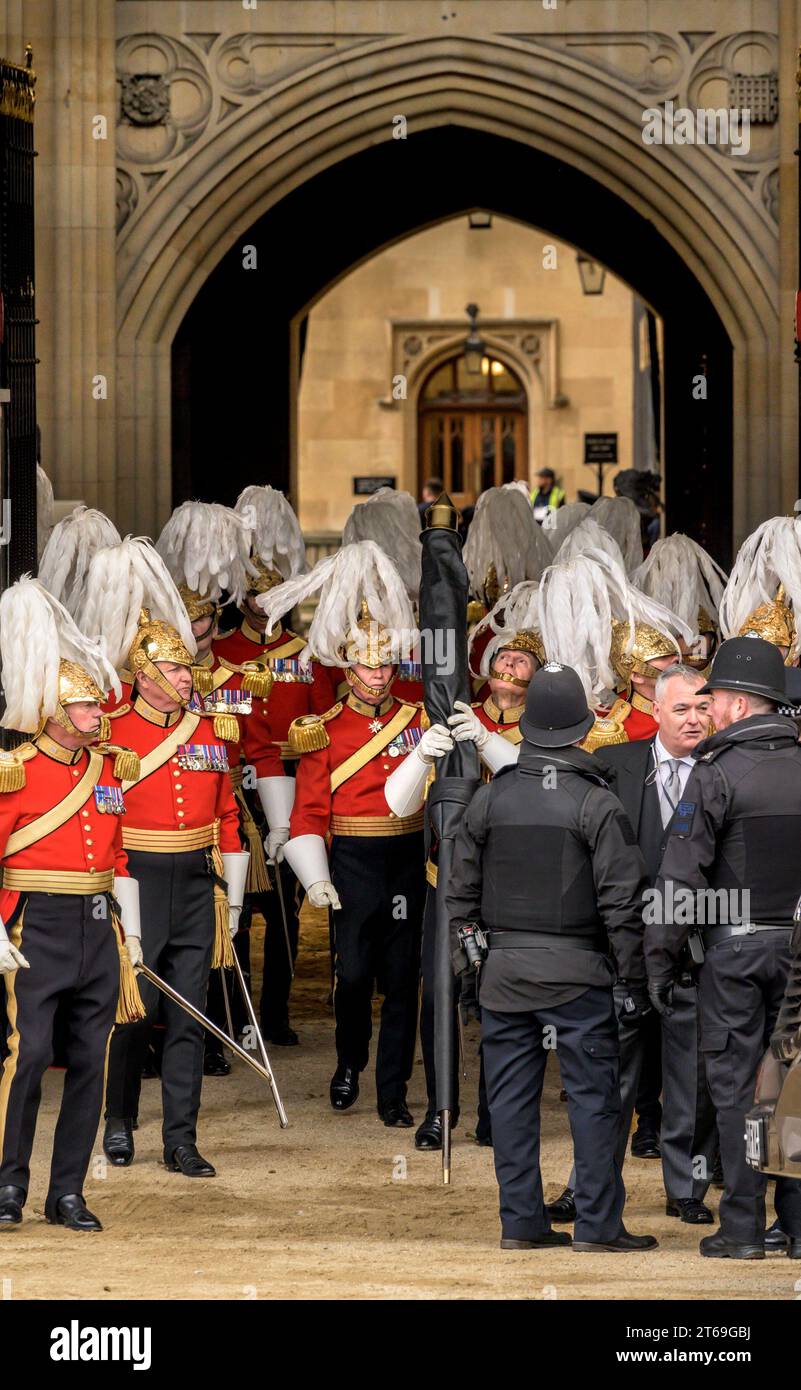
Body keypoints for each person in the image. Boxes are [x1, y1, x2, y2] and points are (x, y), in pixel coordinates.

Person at [447, 662, 657, 1252]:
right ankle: (596, 1225)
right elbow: (622, 905)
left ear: (529, 727)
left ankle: (520, 1222)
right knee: (594, 1104)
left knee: (510, 1104)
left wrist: (473, 968)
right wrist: (632, 981)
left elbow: (458, 896)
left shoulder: (491, 799)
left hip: (505, 975)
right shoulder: (596, 803)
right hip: (578, 976)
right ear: (584, 728)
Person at [77, 538, 246, 1178]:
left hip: (196, 882)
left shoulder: (210, 729)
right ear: (144, 673)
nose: (187, 677)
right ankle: (118, 1123)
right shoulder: (112, 730)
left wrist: (231, 895)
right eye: (175, 671)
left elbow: (227, 817)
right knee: (131, 1012)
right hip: (135, 879)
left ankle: (181, 1139)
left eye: (187, 670)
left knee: (188, 1016)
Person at [267, 540, 452, 1125]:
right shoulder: (320, 729)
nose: (376, 676)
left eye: (385, 665)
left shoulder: (418, 718)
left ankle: (392, 1091)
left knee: (403, 980)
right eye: (366, 666)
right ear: (348, 668)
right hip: (351, 861)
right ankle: (350, 1060)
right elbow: (310, 811)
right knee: (351, 976)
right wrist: (315, 877)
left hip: (405, 857)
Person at [647, 636, 801, 1258]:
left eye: (714, 701)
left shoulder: (712, 774)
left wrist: (658, 960)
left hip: (735, 953)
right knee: (790, 1086)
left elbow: (678, 879)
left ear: (738, 705)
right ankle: (794, 1227)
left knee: (738, 1090)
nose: (706, 712)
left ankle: (741, 1227)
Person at [548, 664, 718, 1226]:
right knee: (607, 1079)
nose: (693, 719)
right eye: (681, 709)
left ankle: (686, 1189)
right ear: (656, 711)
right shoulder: (614, 765)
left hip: (696, 951)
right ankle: (587, 1185)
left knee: (688, 1079)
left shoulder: (723, 769)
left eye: (701, 708)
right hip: (621, 952)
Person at [0, 579, 143, 1233]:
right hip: (36, 926)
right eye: (85, 708)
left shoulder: (109, 768)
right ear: (53, 712)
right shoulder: (18, 769)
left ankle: (66, 1192)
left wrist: (131, 934)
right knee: (26, 1057)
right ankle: (8, 1185)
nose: (97, 715)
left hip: (96, 928)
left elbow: (117, 858)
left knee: (93, 1059)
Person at [407, 583, 544, 1150]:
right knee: (439, 996)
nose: (512, 662)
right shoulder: (450, 710)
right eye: (505, 655)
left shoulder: (546, 727)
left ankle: (495, 1111)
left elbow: (531, 781)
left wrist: (485, 740)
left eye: (525, 659)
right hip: (451, 876)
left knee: (501, 1001)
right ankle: (442, 1107)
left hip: (510, 884)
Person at [214, 485, 336, 1046]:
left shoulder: (305, 656)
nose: (265, 606)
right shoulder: (218, 656)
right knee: (234, 903)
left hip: (286, 786)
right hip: (232, 788)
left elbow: (320, 728)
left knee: (285, 908)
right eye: (257, 597)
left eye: (275, 598)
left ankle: (277, 1012)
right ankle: (236, 1012)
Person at [157, 500, 276, 1071]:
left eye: (202, 620)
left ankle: (227, 1029)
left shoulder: (238, 673)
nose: (196, 631)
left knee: (238, 920)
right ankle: (170, 1033)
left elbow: (260, 743)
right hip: (175, 817)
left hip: (233, 803)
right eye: (186, 622)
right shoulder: (155, 682)